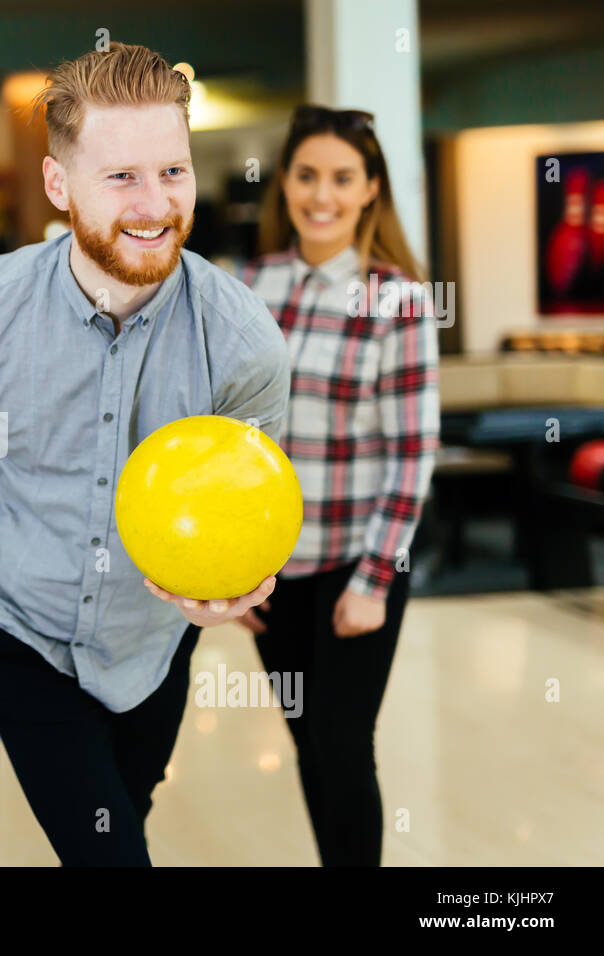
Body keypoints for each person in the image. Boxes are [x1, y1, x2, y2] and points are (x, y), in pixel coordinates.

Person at [0, 42, 291, 867]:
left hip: (151, 644)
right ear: (59, 187)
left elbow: (251, 502)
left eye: (173, 172)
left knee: (111, 829)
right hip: (16, 624)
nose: (155, 203)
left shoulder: (243, 340)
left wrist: (234, 592)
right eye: (122, 177)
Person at [240, 104, 441, 866]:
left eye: (342, 178)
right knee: (306, 744)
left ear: (370, 190)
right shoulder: (249, 286)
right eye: (306, 175)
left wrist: (374, 578)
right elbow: (230, 440)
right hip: (272, 569)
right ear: (284, 185)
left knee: (341, 740)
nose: (321, 195)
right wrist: (231, 576)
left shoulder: (399, 300)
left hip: (358, 568)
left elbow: (412, 451)